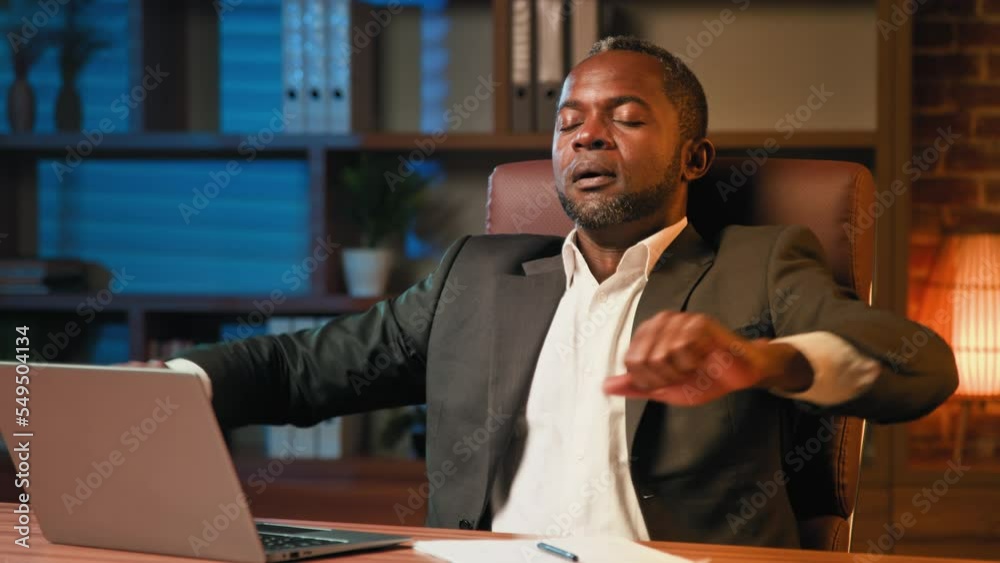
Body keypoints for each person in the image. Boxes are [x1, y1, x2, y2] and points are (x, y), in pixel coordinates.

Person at [156, 36, 958, 548]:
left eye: (626, 116)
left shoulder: (761, 262)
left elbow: (920, 367)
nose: (587, 134)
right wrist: (166, 389)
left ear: (694, 158)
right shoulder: (477, 274)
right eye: (569, 119)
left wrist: (765, 360)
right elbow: (303, 368)